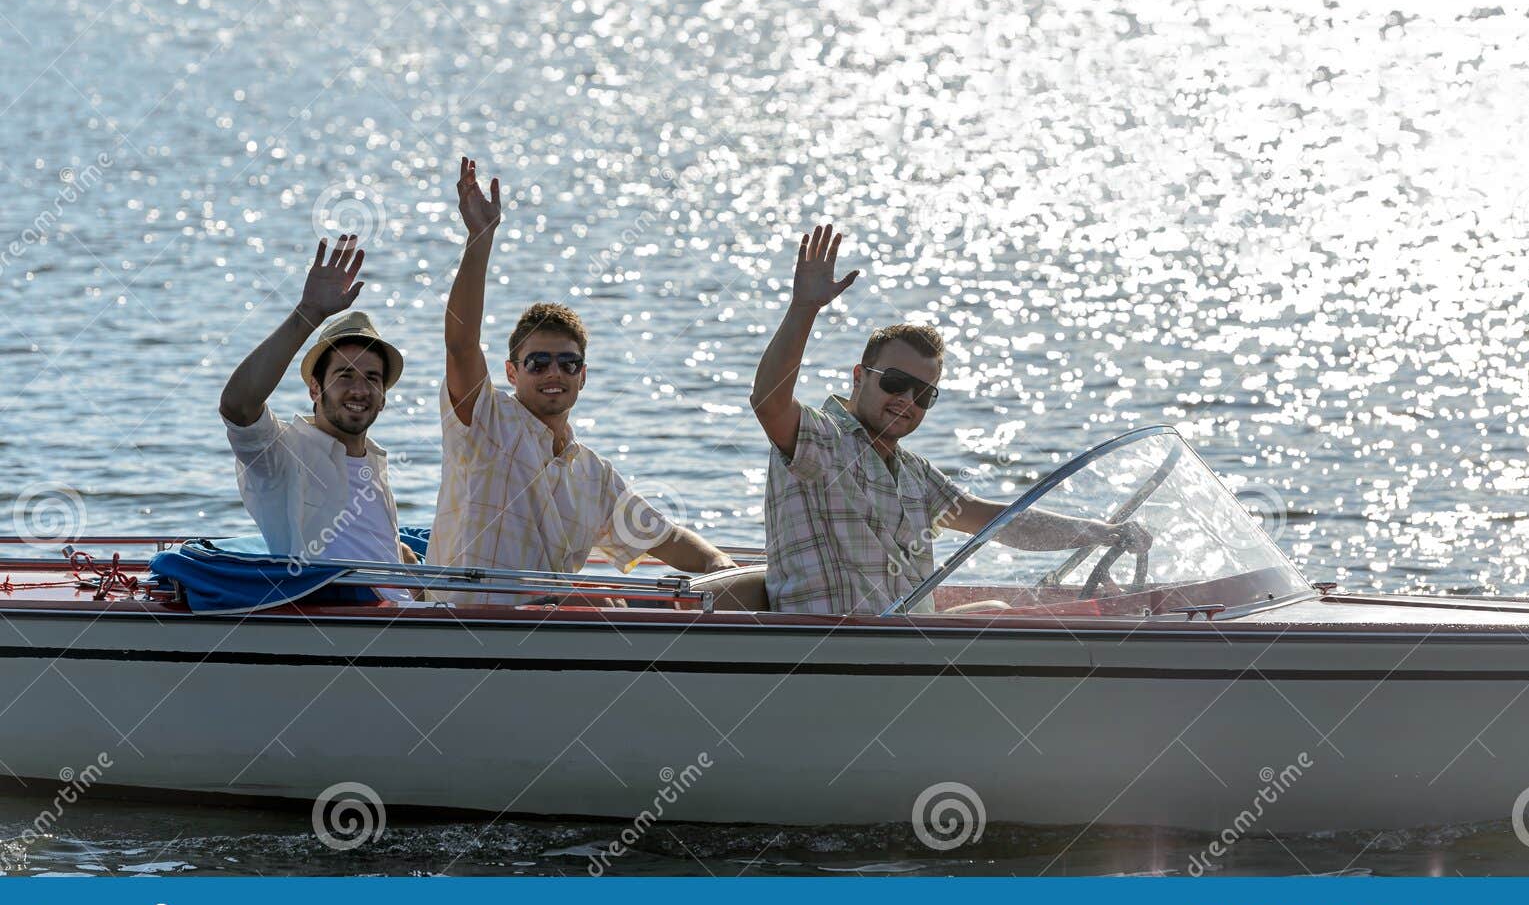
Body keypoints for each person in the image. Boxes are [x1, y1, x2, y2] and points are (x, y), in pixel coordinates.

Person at [750, 223, 1150, 615]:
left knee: (998, 610)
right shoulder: (820, 438)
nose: (906, 400)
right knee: (1004, 622)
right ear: (859, 377)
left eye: (923, 393)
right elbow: (768, 401)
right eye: (895, 382)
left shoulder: (912, 471)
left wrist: (1102, 532)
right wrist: (804, 308)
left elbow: (1000, 522)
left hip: (907, 648)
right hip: (832, 650)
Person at [428, 156, 734, 603]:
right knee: (605, 602)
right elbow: (460, 343)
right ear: (512, 371)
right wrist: (479, 239)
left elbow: (665, 538)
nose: (555, 372)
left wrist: (717, 566)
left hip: (545, 644)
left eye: (568, 363)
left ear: (583, 376)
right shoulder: (485, 419)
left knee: (615, 604)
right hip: (462, 633)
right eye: (538, 362)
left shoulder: (593, 474)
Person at [218, 234, 417, 599]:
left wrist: (402, 561)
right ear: (315, 389)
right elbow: (237, 407)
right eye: (344, 375)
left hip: (402, 617)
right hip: (347, 625)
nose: (359, 389)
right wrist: (308, 313)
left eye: (372, 378)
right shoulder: (283, 454)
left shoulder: (373, 457)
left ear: (384, 397)